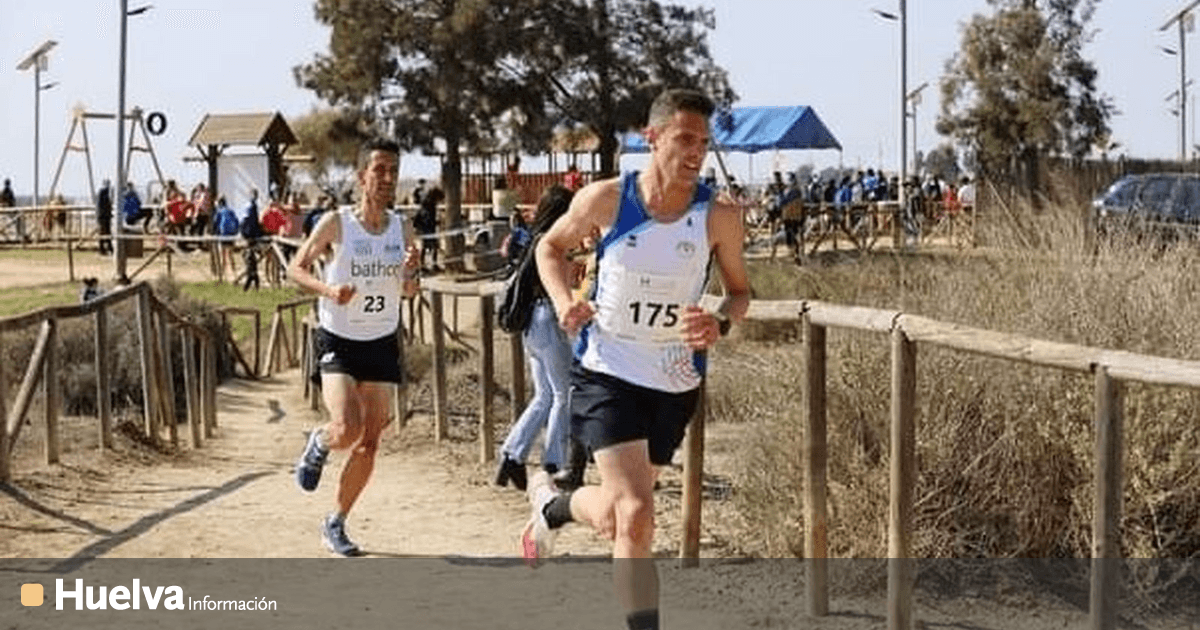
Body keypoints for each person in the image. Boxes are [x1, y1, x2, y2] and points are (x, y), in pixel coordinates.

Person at [521, 89, 750, 630]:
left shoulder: (719, 218)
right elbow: (548, 249)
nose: (696, 152)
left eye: (703, 141)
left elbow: (740, 293)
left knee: (619, 516)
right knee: (638, 517)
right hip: (608, 370)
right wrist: (563, 303)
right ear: (653, 138)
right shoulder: (607, 200)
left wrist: (717, 321)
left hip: (674, 379)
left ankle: (552, 508)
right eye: (684, 139)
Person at [287, 138, 421, 556]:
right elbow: (296, 268)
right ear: (361, 176)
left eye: (393, 171)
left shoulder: (404, 228)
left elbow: (411, 291)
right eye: (379, 170)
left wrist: (412, 273)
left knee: (371, 442)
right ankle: (320, 442)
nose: (387, 178)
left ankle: (336, 522)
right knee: (347, 428)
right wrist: (329, 290)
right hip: (339, 339)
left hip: (381, 339)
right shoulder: (338, 223)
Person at [494, 186, 577, 491]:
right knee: (562, 395)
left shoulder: (533, 238)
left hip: (532, 323)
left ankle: (512, 457)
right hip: (548, 318)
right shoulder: (551, 243)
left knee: (544, 395)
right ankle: (553, 463)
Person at [415, 186, 444, 271]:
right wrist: (433, 223)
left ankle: (427, 264)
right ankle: (424, 265)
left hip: (427, 227)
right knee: (428, 246)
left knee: (430, 247)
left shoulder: (428, 204)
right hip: (427, 227)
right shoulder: (428, 205)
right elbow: (427, 217)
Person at [96, 180, 113, 255]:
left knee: (106, 232)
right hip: (103, 216)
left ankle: (107, 248)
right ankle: (104, 248)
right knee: (104, 232)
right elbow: (102, 205)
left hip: (104, 216)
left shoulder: (103, 192)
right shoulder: (103, 192)